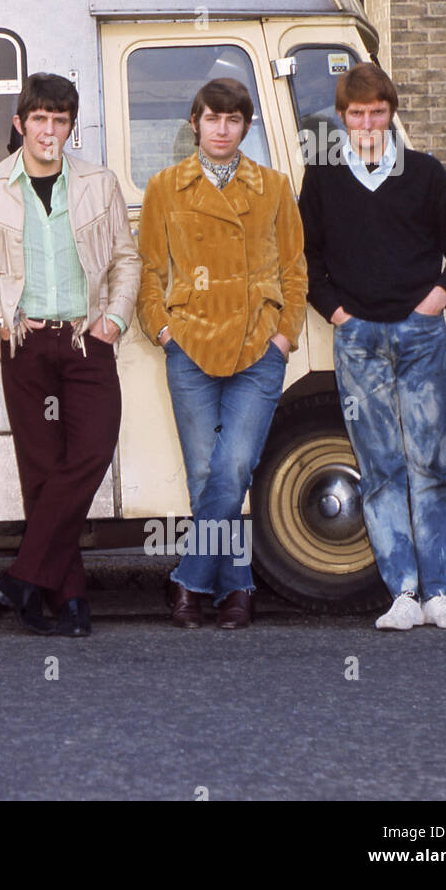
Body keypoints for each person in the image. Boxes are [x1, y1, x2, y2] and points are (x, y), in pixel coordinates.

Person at [0, 72, 141, 637]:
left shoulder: (98, 183)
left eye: (60, 120)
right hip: (25, 343)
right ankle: (69, 599)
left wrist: (113, 318)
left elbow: (126, 258)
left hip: (88, 340)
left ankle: (23, 577)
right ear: (21, 124)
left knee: (91, 452)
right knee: (41, 470)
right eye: (40, 119)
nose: (50, 130)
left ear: (70, 126)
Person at [298, 63, 446, 630]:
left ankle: (439, 594)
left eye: (378, 112)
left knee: (430, 463)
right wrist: (337, 313)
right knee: (379, 469)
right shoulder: (325, 179)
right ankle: (402, 592)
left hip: (421, 335)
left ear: (391, 113)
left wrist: (435, 301)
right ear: (342, 118)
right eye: (357, 114)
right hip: (358, 340)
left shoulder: (425, 173)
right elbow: (306, 259)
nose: (368, 123)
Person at [137, 78, 307, 629]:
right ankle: (237, 588)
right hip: (190, 344)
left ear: (246, 126)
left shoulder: (275, 187)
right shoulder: (165, 186)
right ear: (195, 122)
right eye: (213, 118)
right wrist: (162, 330)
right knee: (205, 472)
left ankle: (188, 580)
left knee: (232, 468)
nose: (222, 129)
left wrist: (284, 336)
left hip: (259, 345)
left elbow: (294, 270)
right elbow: (149, 272)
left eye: (234, 120)